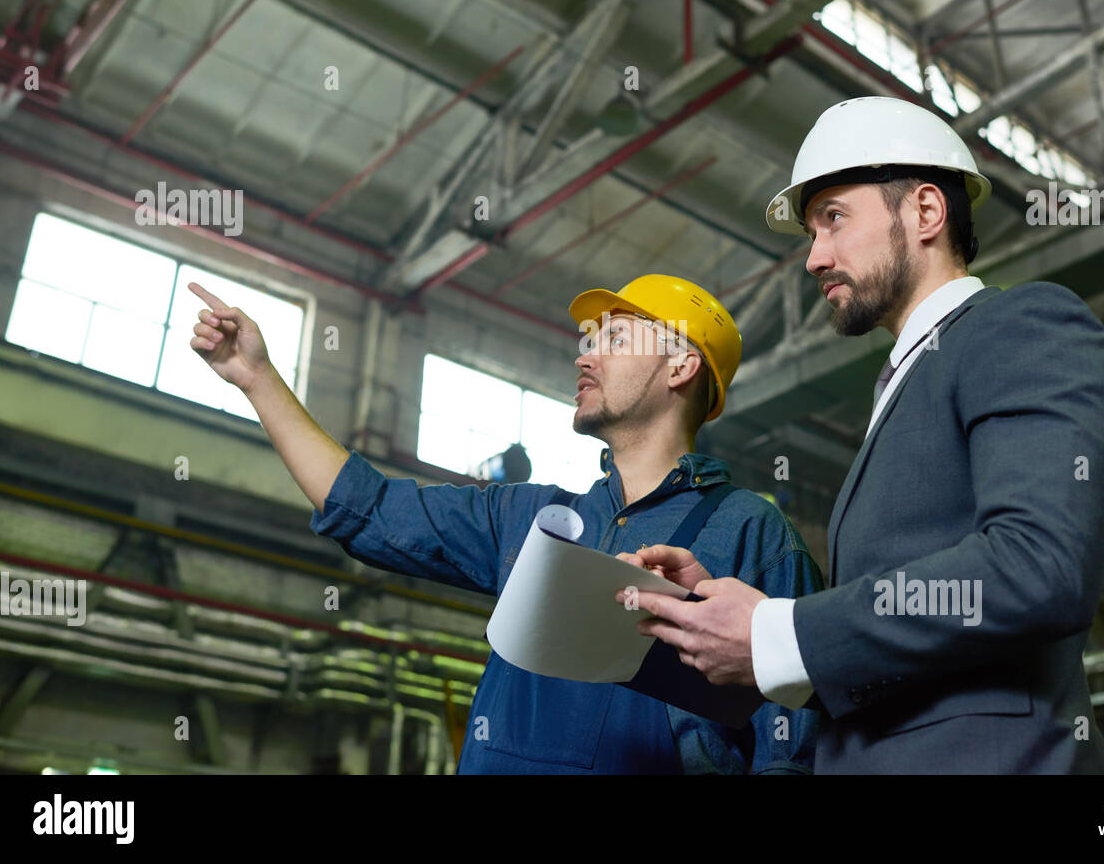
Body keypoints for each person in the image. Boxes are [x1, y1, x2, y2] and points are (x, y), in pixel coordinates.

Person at [625, 97, 1104, 773]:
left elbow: (1039, 565)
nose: (814, 257)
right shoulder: (902, 386)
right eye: (810, 232)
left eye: (833, 218)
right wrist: (731, 624)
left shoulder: (1020, 326)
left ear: (926, 212)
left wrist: (784, 633)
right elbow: (906, 643)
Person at [187, 272, 822, 773]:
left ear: (681, 367)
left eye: (615, 339)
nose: (586, 356)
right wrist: (257, 378)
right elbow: (369, 508)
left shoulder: (753, 534)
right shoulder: (532, 519)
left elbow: (793, 740)